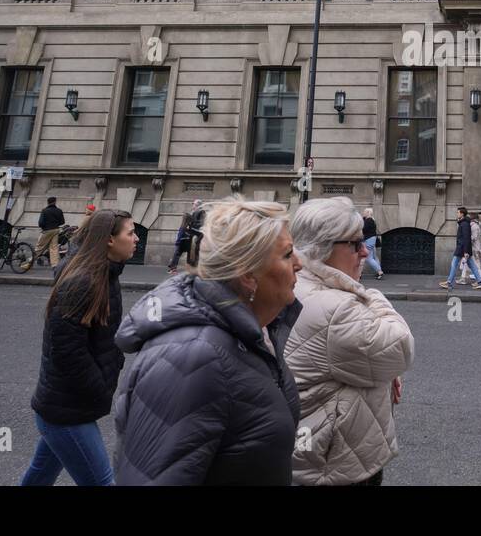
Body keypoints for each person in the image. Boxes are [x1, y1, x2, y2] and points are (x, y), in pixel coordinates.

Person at [114, 197, 304, 485]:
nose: (300, 264)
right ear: (248, 273)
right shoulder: (194, 357)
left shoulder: (254, 333)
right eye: (288, 254)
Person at [285, 197, 415, 485]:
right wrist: (369, 296)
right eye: (356, 244)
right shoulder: (338, 308)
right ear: (323, 247)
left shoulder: (297, 285)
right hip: (336, 464)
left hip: (311, 455)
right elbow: (401, 347)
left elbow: (362, 360)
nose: (364, 252)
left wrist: (380, 373)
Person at [20, 209, 136, 486]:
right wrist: (99, 387)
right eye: (130, 233)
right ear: (109, 239)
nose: (136, 239)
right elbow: (65, 350)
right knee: (102, 482)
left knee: (39, 476)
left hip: (64, 404)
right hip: (68, 411)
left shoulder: (106, 274)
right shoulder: (84, 281)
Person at [440, 207, 481, 290]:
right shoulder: (464, 223)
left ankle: (449, 283)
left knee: (454, 264)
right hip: (464, 248)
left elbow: (466, 238)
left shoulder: (464, 224)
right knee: (472, 265)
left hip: (462, 248)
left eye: (458, 212)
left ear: (462, 214)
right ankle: (480, 282)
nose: (457, 214)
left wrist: (466, 251)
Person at [168, 199, 204, 273]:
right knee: (189, 252)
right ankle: (188, 268)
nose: (192, 205)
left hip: (195, 235)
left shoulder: (201, 212)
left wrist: (191, 227)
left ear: (198, 205)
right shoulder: (193, 212)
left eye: (193, 204)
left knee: (193, 252)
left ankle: (192, 268)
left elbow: (200, 224)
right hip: (189, 236)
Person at [36, 196, 66, 267]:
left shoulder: (44, 211)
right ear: (55, 202)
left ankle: (29, 261)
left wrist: (44, 227)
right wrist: (56, 224)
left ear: (48, 202)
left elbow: (40, 223)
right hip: (56, 230)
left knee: (40, 246)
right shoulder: (59, 210)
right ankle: (55, 264)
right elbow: (62, 222)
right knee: (54, 247)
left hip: (47, 230)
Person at [361, 207, 383, 280]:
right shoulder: (370, 220)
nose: (363, 213)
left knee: (368, 258)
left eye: (364, 212)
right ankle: (379, 271)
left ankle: (379, 271)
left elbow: (364, 229)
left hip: (369, 240)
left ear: (368, 213)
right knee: (374, 257)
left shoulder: (369, 220)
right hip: (372, 240)